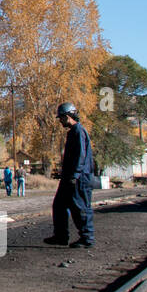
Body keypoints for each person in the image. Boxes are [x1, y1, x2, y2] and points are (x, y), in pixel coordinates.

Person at [45, 102, 95, 248]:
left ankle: (87, 238)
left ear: (67, 117)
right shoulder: (73, 132)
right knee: (59, 205)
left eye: (61, 118)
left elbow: (81, 155)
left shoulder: (79, 131)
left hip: (78, 178)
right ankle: (61, 236)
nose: (60, 121)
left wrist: (75, 175)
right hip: (70, 176)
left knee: (80, 207)